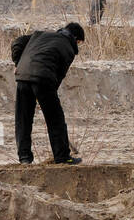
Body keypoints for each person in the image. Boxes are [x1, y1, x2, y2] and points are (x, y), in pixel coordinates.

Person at [10, 22, 85, 165]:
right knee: (55, 119)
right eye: (79, 43)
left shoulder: (40, 35)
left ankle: (24, 158)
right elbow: (59, 75)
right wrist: (45, 96)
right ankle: (62, 157)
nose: (78, 45)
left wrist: (18, 63)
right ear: (76, 39)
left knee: (23, 119)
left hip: (22, 77)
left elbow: (17, 43)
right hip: (44, 79)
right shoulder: (68, 48)